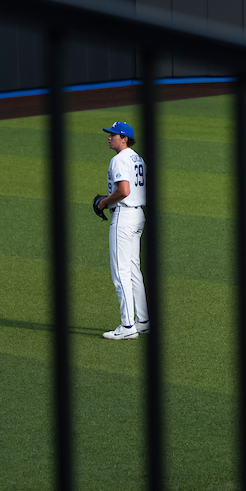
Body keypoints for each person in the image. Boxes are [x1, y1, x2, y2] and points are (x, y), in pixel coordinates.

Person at [98, 120, 150, 340]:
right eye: (109, 134)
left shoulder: (119, 159)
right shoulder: (138, 158)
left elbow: (124, 190)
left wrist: (103, 202)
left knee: (121, 272)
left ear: (124, 138)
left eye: (113, 134)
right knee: (133, 270)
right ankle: (144, 321)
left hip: (124, 216)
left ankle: (128, 326)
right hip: (138, 216)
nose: (109, 137)